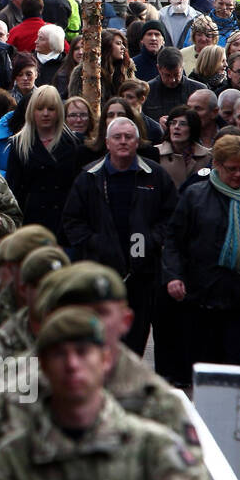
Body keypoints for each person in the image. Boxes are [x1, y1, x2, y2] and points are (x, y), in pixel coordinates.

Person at [0, 306, 214, 480]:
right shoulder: (10, 460)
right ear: (42, 365)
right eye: (59, 354)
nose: (72, 364)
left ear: (105, 359)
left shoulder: (153, 450)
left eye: (82, 352)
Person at [62, 117, 177, 357]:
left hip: (142, 274)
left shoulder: (155, 175)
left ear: (137, 142)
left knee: (134, 344)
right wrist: (95, 244)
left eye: (128, 137)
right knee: (100, 343)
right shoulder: (89, 176)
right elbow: (72, 221)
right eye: (117, 137)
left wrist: (152, 240)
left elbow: (171, 217)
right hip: (100, 274)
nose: (123, 141)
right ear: (107, 143)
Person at [163, 135, 240, 381]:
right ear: (217, 165)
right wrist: (174, 276)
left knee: (238, 372)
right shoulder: (195, 196)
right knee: (207, 371)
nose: (238, 175)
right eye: (231, 169)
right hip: (203, 297)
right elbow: (174, 240)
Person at [5, 86, 80, 237]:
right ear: (32, 111)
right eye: (40, 109)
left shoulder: (74, 144)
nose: (45, 113)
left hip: (65, 226)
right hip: (31, 225)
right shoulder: (18, 145)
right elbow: (13, 190)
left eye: (51, 109)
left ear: (58, 111)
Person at [155, 104, 211, 189]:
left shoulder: (207, 157)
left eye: (183, 124)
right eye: (173, 123)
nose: (176, 127)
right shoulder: (155, 153)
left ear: (193, 128)